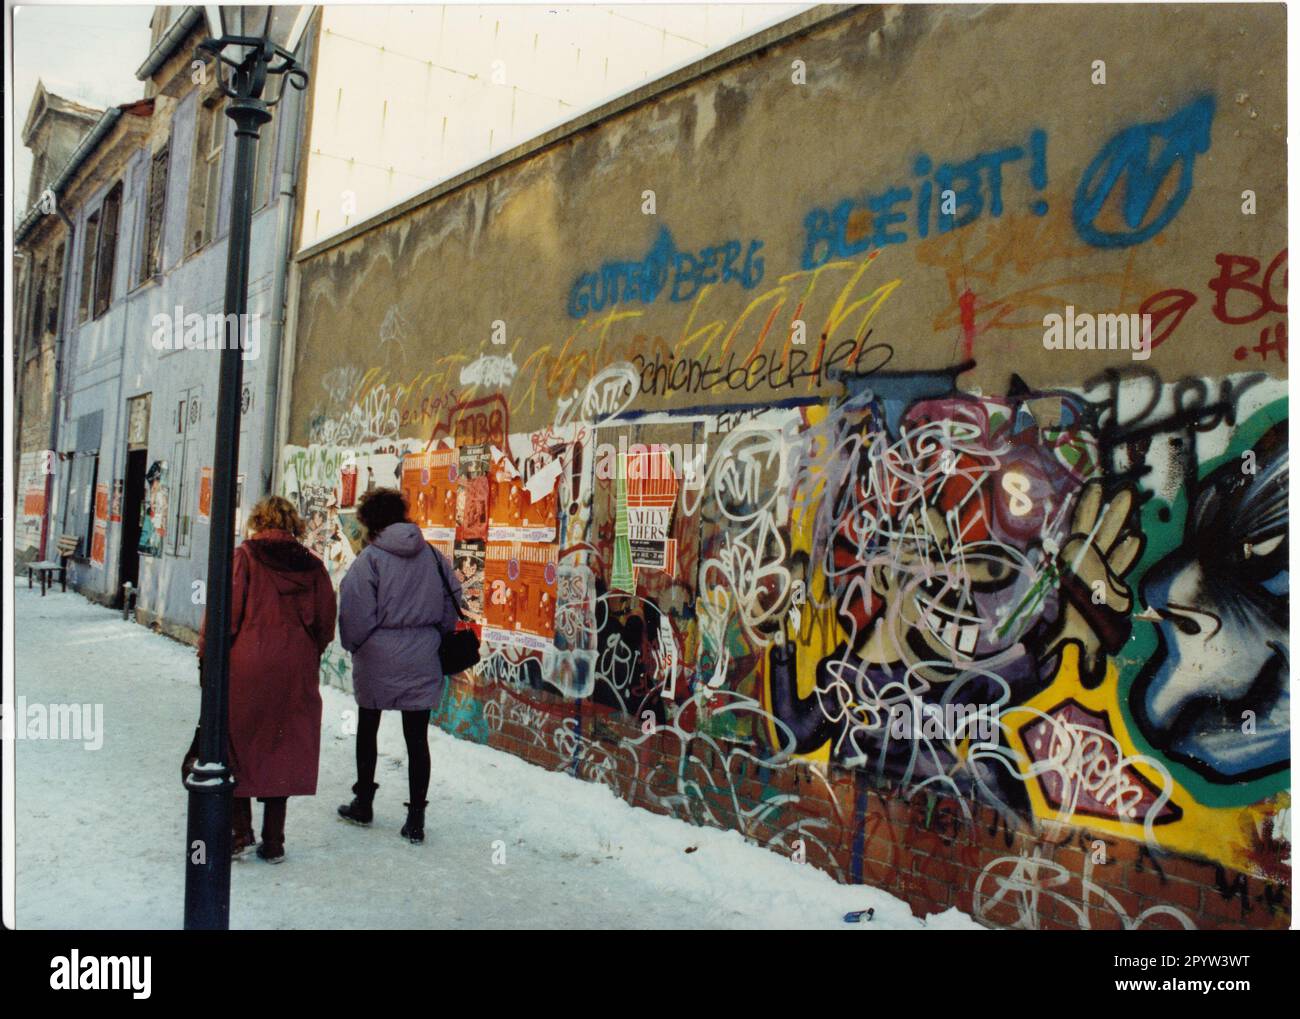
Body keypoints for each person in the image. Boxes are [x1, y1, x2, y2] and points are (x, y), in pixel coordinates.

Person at [198, 495, 336, 863]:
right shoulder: (314, 567)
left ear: (259, 521)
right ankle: (274, 841)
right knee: (283, 746)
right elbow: (326, 623)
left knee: (239, 744)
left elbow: (223, 615)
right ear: (294, 525)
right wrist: (305, 651)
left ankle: (239, 832)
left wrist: (207, 656)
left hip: (247, 666)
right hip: (295, 668)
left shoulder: (244, 557)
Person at [337, 487, 463, 843]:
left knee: (368, 726)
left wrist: (356, 644)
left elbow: (355, 611)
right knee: (417, 738)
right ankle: (416, 819)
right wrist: (433, 635)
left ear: (370, 521)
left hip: (378, 653)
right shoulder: (433, 557)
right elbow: (451, 602)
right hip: (423, 652)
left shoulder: (370, 560)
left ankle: (364, 802)